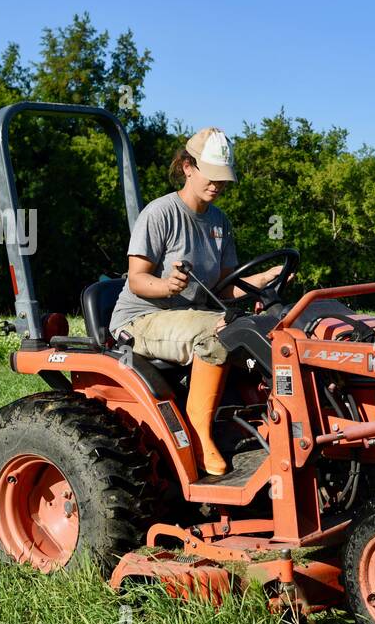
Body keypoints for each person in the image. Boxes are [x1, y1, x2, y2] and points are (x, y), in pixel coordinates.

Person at [108, 127, 282, 476]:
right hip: (143, 317)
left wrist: (262, 282)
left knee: (277, 327)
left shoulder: (220, 221)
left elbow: (222, 290)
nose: (217, 185)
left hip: (195, 314)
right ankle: (199, 437)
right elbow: (138, 280)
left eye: (223, 179)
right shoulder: (160, 214)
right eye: (211, 175)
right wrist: (168, 285)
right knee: (218, 334)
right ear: (187, 166)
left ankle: (271, 424)